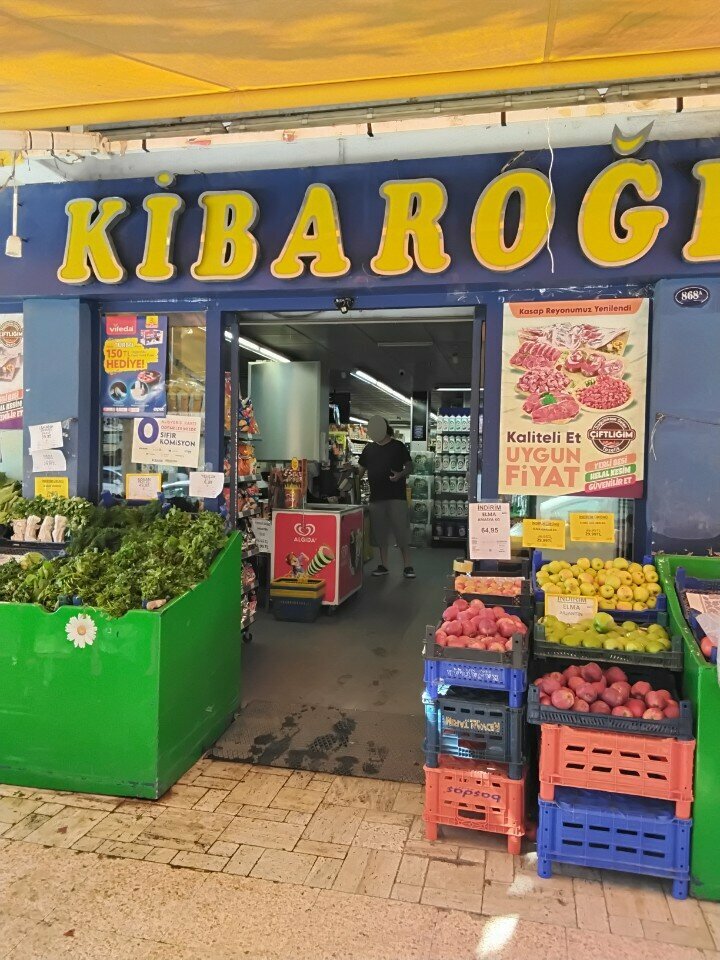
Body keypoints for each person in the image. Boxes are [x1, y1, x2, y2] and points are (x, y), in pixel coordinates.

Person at [357, 415, 415, 579]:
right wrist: (351, 473)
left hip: (396, 496)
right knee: (380, 533)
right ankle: (384, 565)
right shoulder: (368, 449)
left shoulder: (398, 446)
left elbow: (410, 466)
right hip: (376, 497)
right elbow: (360, 472)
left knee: (401, 531)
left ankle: (408, 566)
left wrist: (400, 474)